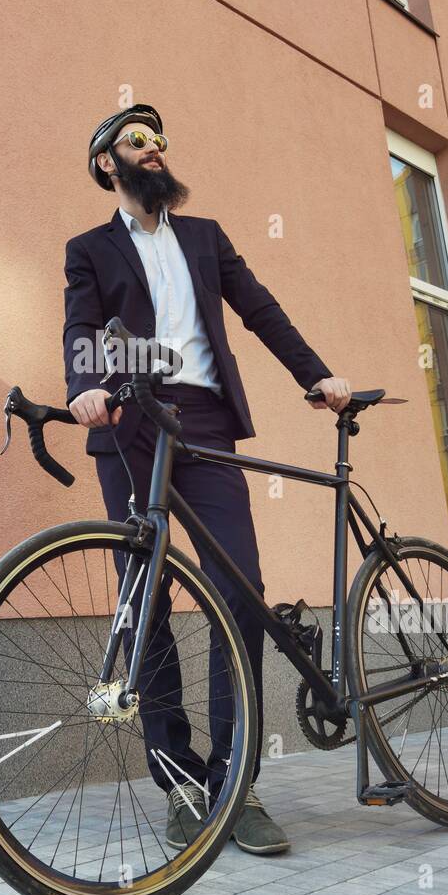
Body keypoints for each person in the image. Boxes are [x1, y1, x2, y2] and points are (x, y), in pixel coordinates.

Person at [62, 104, 351, 854]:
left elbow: (259, 310)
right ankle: (179, 783)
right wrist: (83, 386)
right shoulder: (88, 249)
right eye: (136, 141)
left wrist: (316, 375)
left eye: (160, 141)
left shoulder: (204, 237)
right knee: (143, 603)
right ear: (105, 165)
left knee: (239, 591)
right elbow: (82, 329)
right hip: (128, 428)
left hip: (205, 422)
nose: (154, 150)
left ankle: (235, 781)